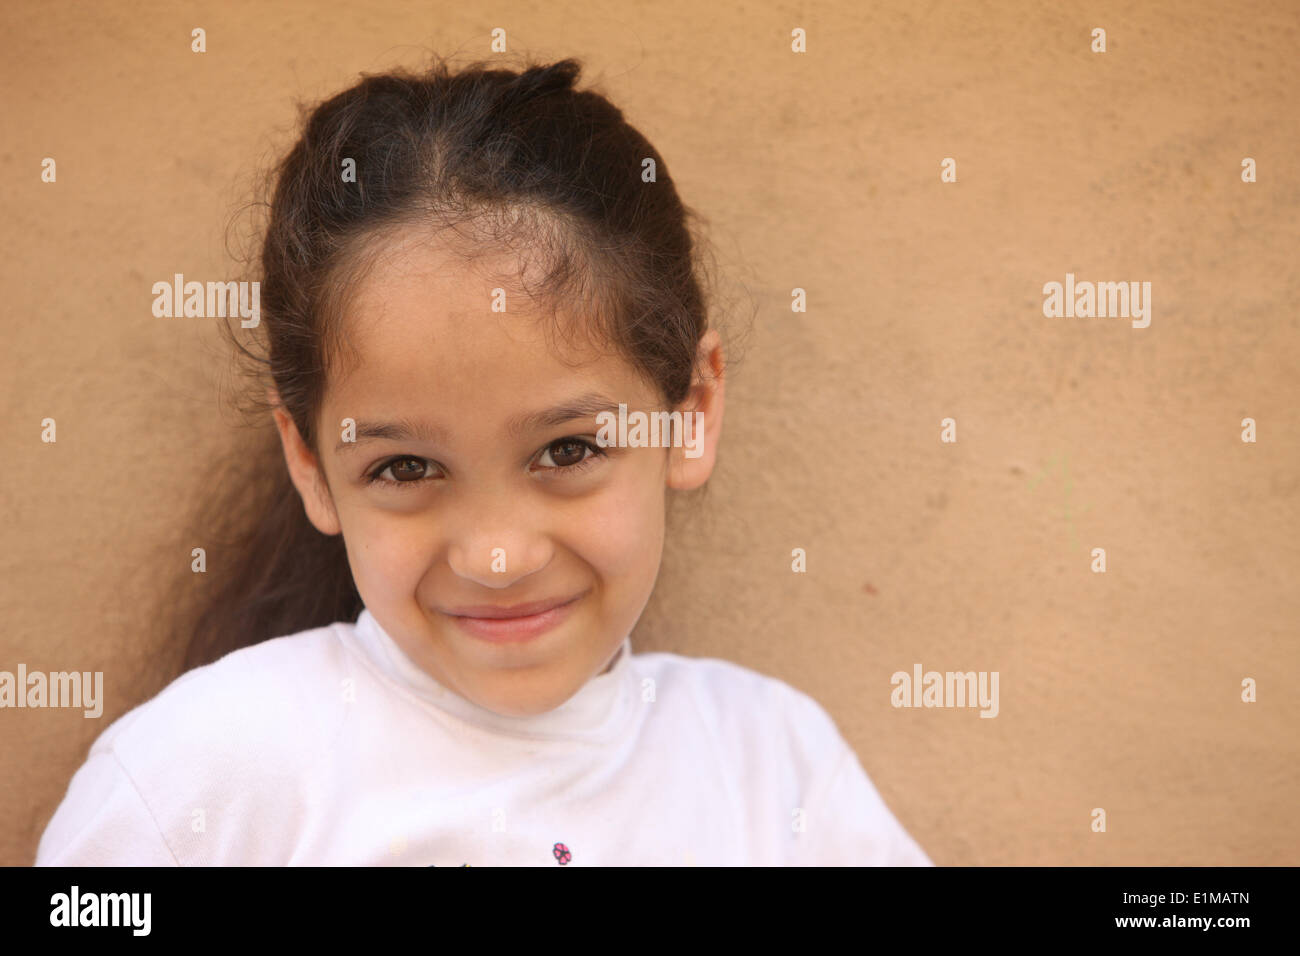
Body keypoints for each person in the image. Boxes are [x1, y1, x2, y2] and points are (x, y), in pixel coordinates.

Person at [35, 56, 931, 866]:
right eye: (406, 468)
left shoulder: (774, 770)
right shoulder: (195, 782)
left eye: (569, 449)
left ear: (689, 414)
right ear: (310, 463)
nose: (497, 556)